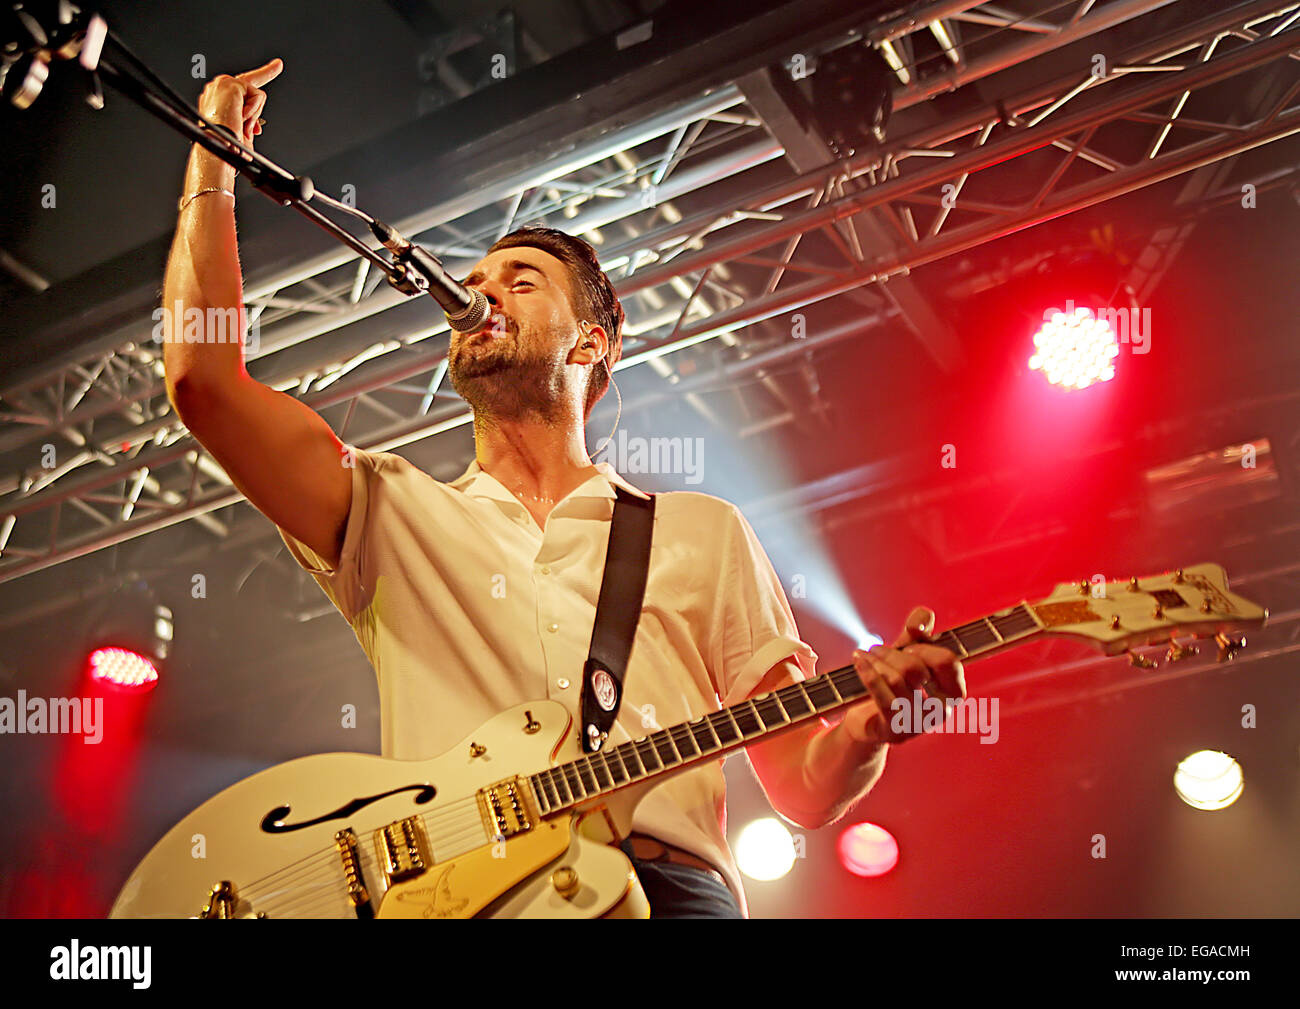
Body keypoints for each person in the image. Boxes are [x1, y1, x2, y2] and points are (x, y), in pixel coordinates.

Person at [162, 58, 967, 918]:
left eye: (518, 282)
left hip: (670, 891)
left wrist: (871, 728)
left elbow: (803, 788)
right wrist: (214, 157)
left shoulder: (701, 531)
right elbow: (203, 384)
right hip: (469, 901)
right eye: (474, 286)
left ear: (588, 346)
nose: (482, 296)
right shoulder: (390, 508)